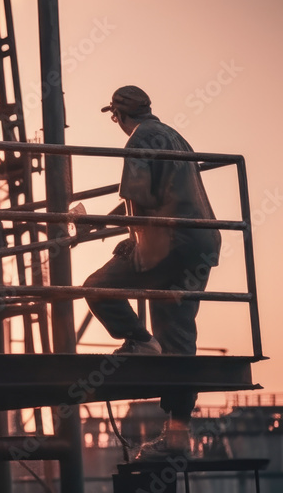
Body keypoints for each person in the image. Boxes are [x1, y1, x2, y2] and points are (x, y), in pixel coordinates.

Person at [83, 85, 221, 459]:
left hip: (167, 244)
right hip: (201, 243)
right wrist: (113, 228)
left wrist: (128, 236)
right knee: (178, 339)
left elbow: (138, 200)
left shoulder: (137, 141)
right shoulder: (176, 137)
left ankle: (140, 340)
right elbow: (149, 200)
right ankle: (177, 436)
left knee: (96, 286)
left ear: (117, 116)